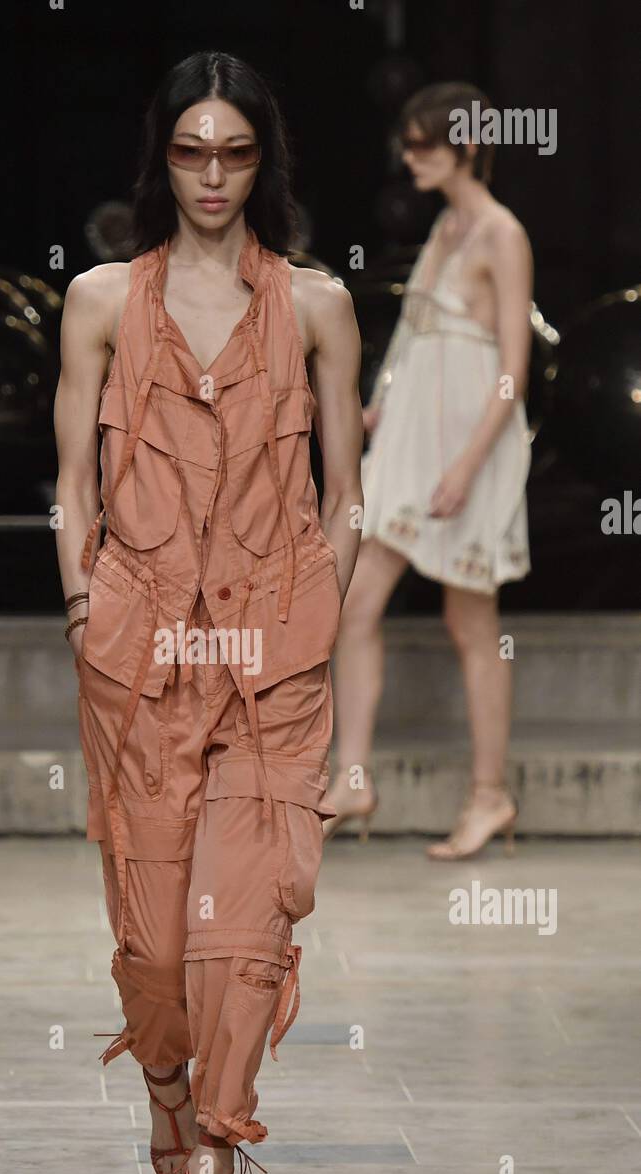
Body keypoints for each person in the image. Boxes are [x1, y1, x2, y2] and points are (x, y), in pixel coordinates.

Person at [53, 51, 362, 1174]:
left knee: (244, 927)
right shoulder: (98, 301)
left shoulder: (317, 304)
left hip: (271, 651)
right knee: (154, 942)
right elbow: (70, 479)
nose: (213, 173)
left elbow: (347, 486)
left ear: (261, 160)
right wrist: (83, 601)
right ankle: (167, 1085)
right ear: (162, 159)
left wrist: (319, 600)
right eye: (192, 151)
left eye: (234, 152)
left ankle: (213, 1169)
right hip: (137, 650)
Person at [322, 82, 533, 859]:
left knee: (469, 620)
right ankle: (351, 775)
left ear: (466, 147)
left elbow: (514, 368)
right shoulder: (446, 226)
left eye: (424, 145)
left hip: (467, 442)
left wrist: (467, 466)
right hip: (412, 436)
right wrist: (379, 407)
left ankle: (489, 795)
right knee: (355, 603)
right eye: (407, 144)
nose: (409, 159)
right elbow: (414, 336)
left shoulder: (501, 235)